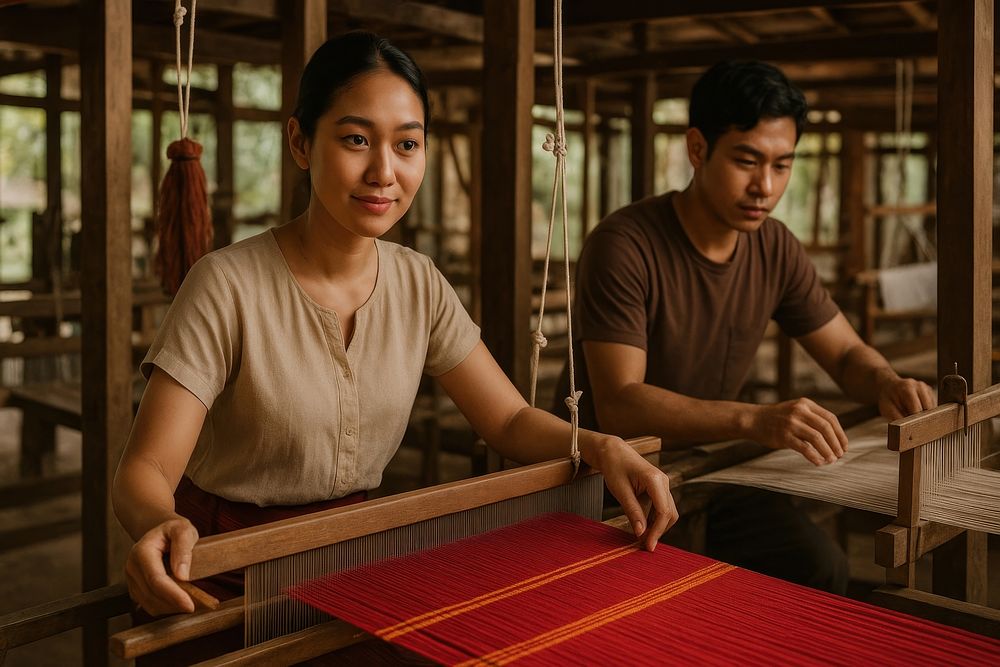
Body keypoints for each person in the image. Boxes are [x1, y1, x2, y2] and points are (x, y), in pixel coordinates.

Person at [113, 31, 677, 621]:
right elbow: (145, 469)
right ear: (300, 142)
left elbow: (507, 420)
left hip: (358, 568)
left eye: (407, 145)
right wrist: (159, 525)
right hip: (219, 582)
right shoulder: (226, 285)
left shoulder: (419, 284)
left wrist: (602, 446)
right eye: (356, 139)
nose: (383, 171)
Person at [554, 60, 935, 595]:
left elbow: (846, 354)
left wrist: (886, 382)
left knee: (821, 570)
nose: (765, 186)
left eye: (782, 166)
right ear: (697, 149)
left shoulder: (775, 248)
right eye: (747, 160)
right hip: (610, 482)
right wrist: (759, 421)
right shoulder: (625, 245)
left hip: (710, 466)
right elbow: (620, 402)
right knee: (662, 613)